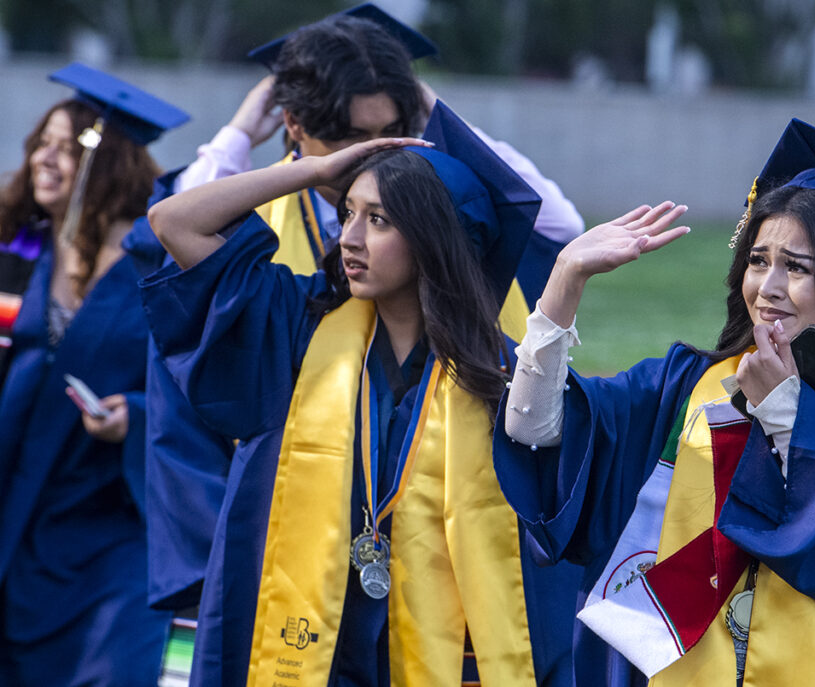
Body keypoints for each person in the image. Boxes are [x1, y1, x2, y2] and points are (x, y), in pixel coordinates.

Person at [496, 118, 815, 686]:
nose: (768, 286)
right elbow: (535, 432)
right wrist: (563, 285)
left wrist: (786, 412)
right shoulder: (683, 387)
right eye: (758, 260)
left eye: (797, 268)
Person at [140, 4, 585, 618]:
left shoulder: (481, 326)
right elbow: (172, 221)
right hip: (299, 560)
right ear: (296, 126)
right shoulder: (294, 305)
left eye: (377, 218)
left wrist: (426, 118)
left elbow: (555, 224)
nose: (368, 153)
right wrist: (306, 170)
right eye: (348, 141)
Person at [0, 62, 189, 685]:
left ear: (109, 164)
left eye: (66, 147)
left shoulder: (155, 265)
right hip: (25, 506)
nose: (44, 160)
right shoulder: (21, 252)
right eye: (40, 145)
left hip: (111, 514)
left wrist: (134, 411)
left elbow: (192, 383)